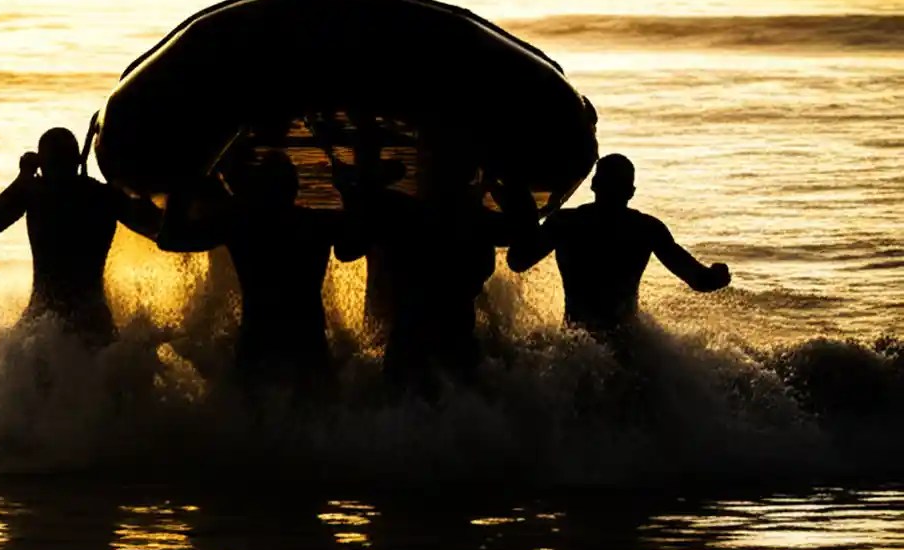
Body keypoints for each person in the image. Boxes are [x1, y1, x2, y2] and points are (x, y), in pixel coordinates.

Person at [341, 141, 539, 397]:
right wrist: (497, 185)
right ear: (469, 178)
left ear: (425, 175)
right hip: (456, 340)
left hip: (409, 342)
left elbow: (346, 249)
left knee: (405, 408)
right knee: (458, 406)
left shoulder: (399, 210)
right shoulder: (478, 221)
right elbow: (525, 227)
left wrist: (360, 190)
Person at [159, 148, 361, 396]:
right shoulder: (316, 223)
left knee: (253, 424)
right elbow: (353, 246)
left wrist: (185, 181)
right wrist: (350, 191)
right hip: (308, 348)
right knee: (318, 421)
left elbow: (170, 239)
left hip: (257, 347)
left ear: (258, 190)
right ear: (295, 189)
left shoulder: (242, 224)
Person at [506, 153, 731, 338]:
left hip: (578, 348)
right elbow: (701, 281)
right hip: (629, 349)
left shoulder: (565, 223)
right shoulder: (646, 229)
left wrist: (521, 209)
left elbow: (518, 261)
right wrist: (718, 275)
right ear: (631, 192)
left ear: (593, 184)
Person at [0, 127, 147, 347]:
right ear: (78, 161)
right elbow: (155, 226)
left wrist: (23, 177)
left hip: (43, 321)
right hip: (93, 323)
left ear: (42, 164)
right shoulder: (104, 196)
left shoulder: (35, 193)